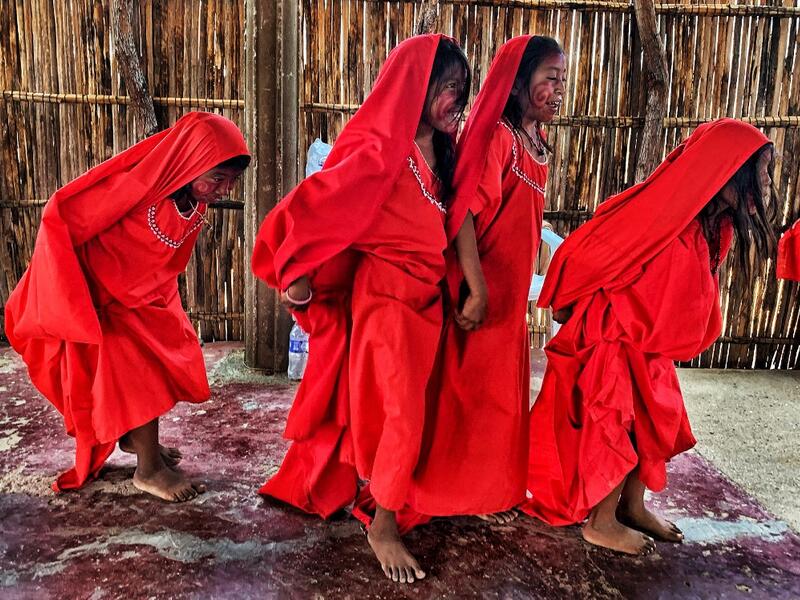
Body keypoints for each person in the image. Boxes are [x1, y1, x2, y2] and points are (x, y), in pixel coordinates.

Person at [252, 35, 471, 583]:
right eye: (447, 88)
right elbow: (317, 204)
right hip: (386, 303)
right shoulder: (378, 151)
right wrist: (298, 275)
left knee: (405, 410)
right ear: (416, 89)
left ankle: (381, 492)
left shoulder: (440, 154)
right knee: (402, 414)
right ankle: (383, 524)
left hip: (426, 304)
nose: (456, 101)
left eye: (462, 91)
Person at [523, 119, 776, 554]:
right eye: (760, 171)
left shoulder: (712, 226)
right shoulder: (659, 210)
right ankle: (600, 521)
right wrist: (563, 296)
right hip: (613, 340)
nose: (766, 183)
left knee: (656, 420)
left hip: (648, 345)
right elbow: (589, 245)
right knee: (616, 427)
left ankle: (631, 507)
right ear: (725, 170)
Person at [5, 112, 250, 502]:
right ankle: (148, 469)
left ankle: (139, 441)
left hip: (148, 295)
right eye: (218, 177)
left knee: (174, 355)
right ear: (190, 163)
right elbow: (66, 214)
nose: (225, 188)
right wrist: (65, 290)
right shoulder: (138, 187)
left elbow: (162, 261)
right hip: (105, 298)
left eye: (232, 181)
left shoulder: (194, 201)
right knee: (140, 370)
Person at [411, 36, 566, 524]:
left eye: (563, 80)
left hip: (508, 300)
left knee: (495, 401)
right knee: (468, 399)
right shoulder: (500, 139)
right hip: (482, 296)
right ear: (519, 84)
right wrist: (476, 290)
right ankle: (451, 492)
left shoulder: (536, 143)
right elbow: (463, 218)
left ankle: (483, 490)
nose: (559, 90)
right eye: (550, 79)